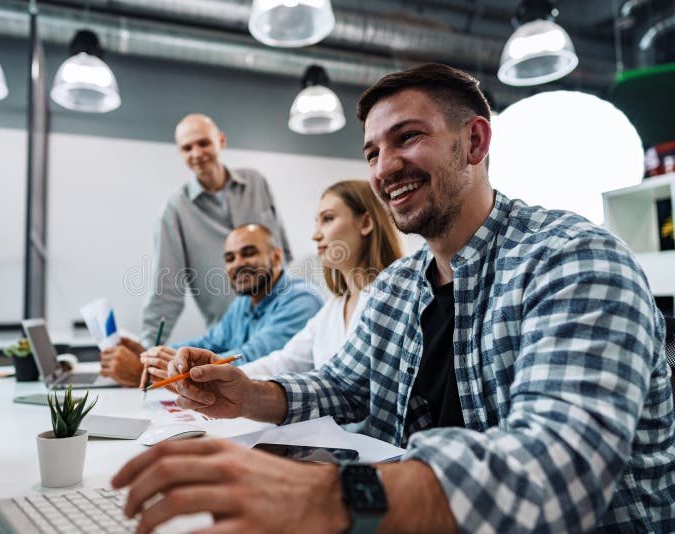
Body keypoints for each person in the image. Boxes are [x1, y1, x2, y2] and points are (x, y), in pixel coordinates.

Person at [110, 63, 675, 533]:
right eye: (372, 152)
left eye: (407, 137)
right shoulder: (402, 284)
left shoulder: (574, 259)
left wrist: (328, 496)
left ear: (475, 141)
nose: (385, 168)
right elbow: (344, 386)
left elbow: (558, 469)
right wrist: (248, 394)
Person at [100, 223, 322, 386]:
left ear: (275, 257)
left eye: (249, 253)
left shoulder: (302, 300)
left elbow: (250, 359)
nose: (238, 264)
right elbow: (208, 343)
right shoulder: (243, 302)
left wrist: (150, 372)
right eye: (230, 258)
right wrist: (149, 354)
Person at [139, 113, 292, 347]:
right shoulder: (175, 210)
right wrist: (148, 352)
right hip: (227, 338)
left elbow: (283, 253)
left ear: (221, 140)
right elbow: (166, 292)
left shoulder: (256, 183)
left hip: (278, 325)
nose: (197, 154)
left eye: (203, 143)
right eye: (187, 148)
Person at [238, 180, 403, 379]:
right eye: (317, 223)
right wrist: (224, 375)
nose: (316, 235)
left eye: (328, 219)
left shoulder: (393, 298)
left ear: (366, 223)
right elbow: (284, 361)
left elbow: (346, 384)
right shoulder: (332, 309)